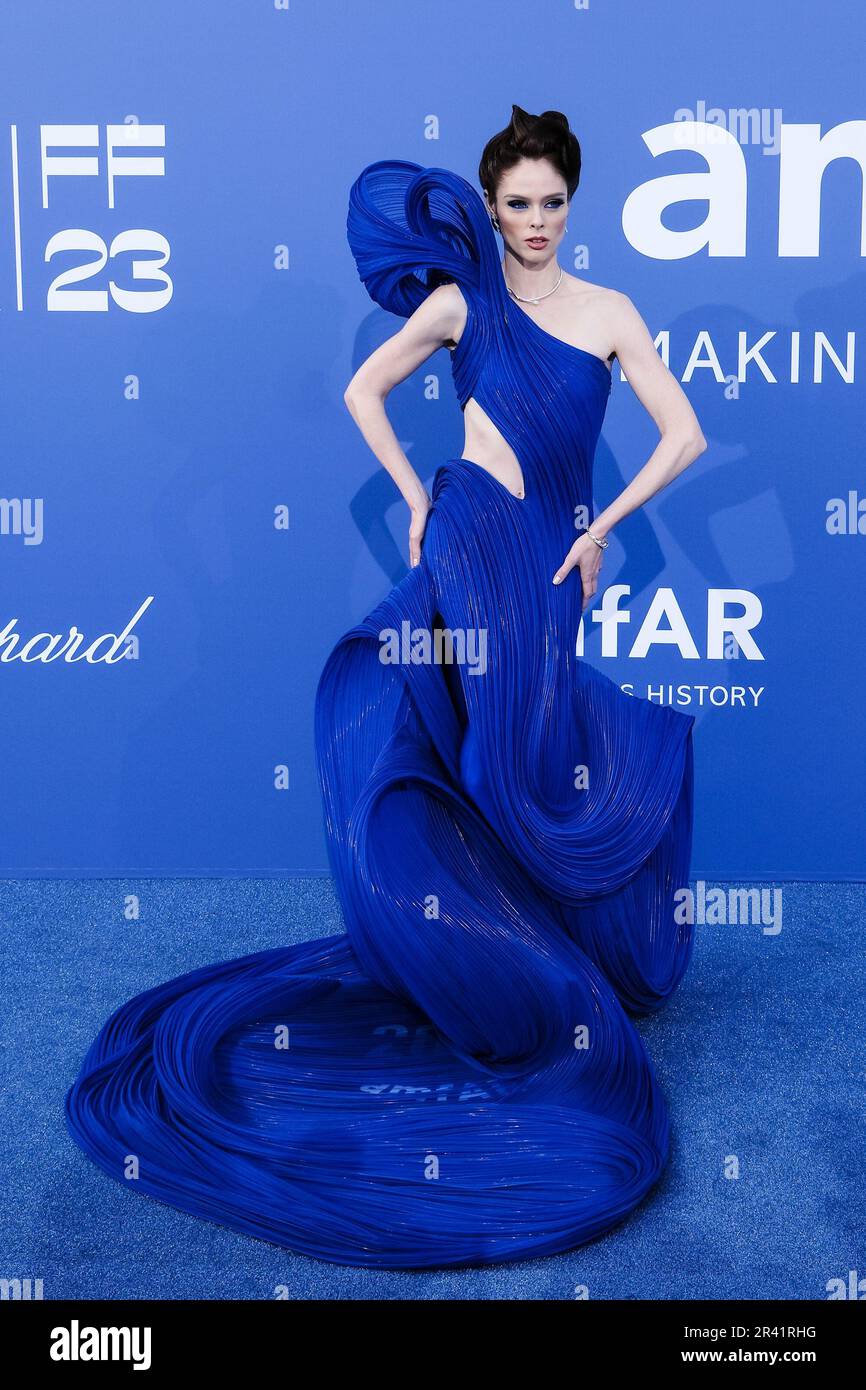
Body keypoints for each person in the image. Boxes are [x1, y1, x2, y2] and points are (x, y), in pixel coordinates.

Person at [66, 105, 705, 1271]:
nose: (530, 222)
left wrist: (605, 526)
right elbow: (364, 392)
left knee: (530, 763)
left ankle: (529, 958)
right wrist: (416, 497)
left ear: (573, 202)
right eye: (512, 203)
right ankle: (485, 971)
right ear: (489, 205)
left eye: (548, 202)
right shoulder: (462, 304)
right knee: (450, 739)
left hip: (552, 558)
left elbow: (683, 434)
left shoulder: (609, 313)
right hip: (466, 540)